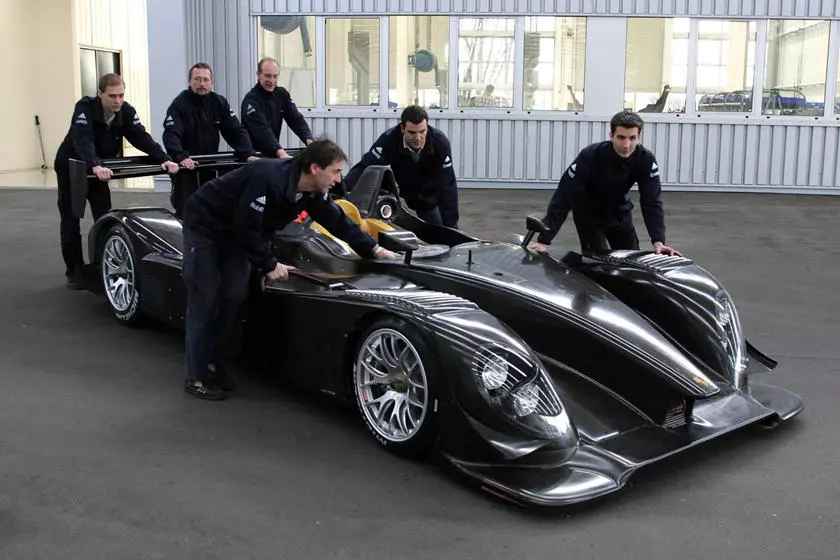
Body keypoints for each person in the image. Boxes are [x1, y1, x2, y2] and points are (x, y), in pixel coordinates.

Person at [181, 138, 398, 400]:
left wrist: (374, 249)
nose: (339, 179)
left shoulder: (312, 192)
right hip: (207, 225)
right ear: (315, 168)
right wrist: (269, 263)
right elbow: (247, 226)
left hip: (237, 233)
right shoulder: (268, 178)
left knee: (234, 294)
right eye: (336, 171)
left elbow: (337, 220)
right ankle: (195, 376)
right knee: (205, 296)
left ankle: (214, 363)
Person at [54, 73, 179, 289]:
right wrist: (94, 163)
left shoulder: (126, 111)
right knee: (70, 219)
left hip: (98, 171)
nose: (117, 101)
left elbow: (141, 137)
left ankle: (102, 264)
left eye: (121, 95)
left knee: (104, 217)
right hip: (72, 168)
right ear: (100, 93)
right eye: (112, 96)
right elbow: (82, 139)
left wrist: (165, 159)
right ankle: (73, 270)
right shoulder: (84, 108)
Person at [528, 110, 682, 256]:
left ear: (639, 137)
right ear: (611, 135)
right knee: (597, 265)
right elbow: (564, 195)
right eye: (621, 137)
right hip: (589, 216)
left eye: (632, 138)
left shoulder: (645, 159)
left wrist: (658, 241)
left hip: (620, 214)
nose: (626, 145)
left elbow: (652, 201)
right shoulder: (589, 156)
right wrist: (544, 240)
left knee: (632, 263)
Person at [162, 62, 259, 218]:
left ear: (211, 82)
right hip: (187, 168)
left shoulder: (218, 102)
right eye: (197, 79)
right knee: (187, 209)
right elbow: (171, 134)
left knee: (211, 207)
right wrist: (181, 156)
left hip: (210, 165)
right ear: (189, 81)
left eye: (206, 80)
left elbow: (235, 130)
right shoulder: (179, 104)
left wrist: (247, 152)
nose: (202, 84)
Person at [343, 105, 459, 229]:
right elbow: (365, 168)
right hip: (405, 190)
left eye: (422, 131)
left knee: (441, 229)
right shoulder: (389, 140)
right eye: (412, 132)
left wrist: (451, 226)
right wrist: (342, 191)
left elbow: (447, 185)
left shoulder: (440, 144)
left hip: (428, 195)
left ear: (427, 127)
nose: (418, 138)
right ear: (402, 128)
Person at [241, 57, 313, 158]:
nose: (272, 80)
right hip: (254, 158)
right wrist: (280, 152)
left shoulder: (282, 95)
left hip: (273, 154)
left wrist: (309, 140)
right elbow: (262, 131)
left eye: (275, 76)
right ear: (258, 74)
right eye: (267, 76)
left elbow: (296, 119)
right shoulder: (251, 100)